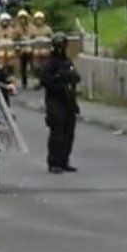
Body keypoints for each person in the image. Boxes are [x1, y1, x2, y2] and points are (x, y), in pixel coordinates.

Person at [41, 33, 80, 174]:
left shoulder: (67, 62)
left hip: (68, 101)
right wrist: (59, 79)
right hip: (55, 101)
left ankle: (64, 161)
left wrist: (70, 77)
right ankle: (54, 162)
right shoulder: (49, 63)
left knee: (68, 132)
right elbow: (45, 81)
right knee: (57, 132)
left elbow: (76, 77)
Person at [30, 11, 54, 86]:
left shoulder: (48, 29)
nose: (39, 21)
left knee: (46, 67)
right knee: (36, 67)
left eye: (40, 19)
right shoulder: (32, 29)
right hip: (36, 51)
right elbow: (29, 40)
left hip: (46, 51)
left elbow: (52, 38)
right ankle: (37, 82)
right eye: (37, 19)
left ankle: (46, 81)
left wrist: (51, 47)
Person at [11, 10, 34, 88]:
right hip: (21, 49)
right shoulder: (16, 28)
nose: (23, 20)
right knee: (23, 67)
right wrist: (17, 46)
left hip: (31, 48)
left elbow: (34, 36)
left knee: (33, 65)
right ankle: (24, 82)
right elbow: (14, 39)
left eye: (24, 18)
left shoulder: (31, 27)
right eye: (21, 18)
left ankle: (35, 82)